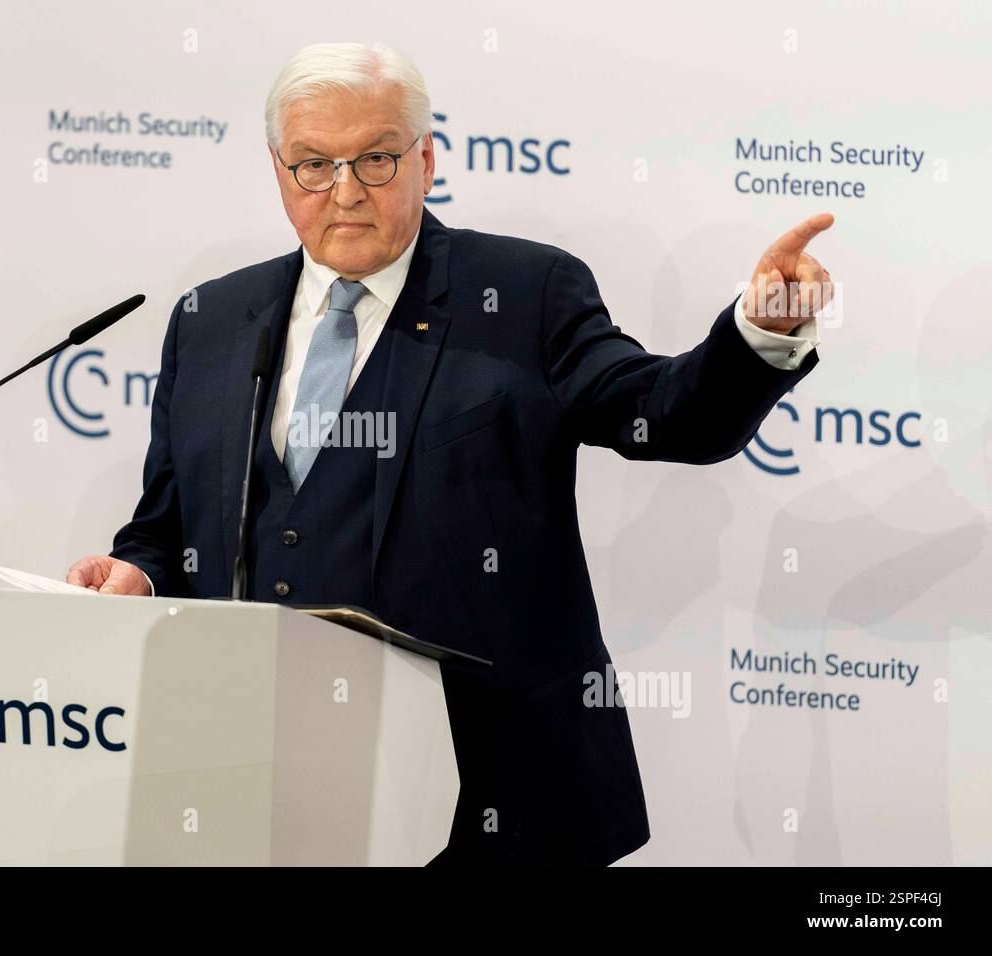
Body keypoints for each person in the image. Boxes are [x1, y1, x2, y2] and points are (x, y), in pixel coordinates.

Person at [68, 41, 833, 864]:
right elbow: (169, 522)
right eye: (314, 165)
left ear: (427, 160)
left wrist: (761, 333)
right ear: (278, 170)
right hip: (261, 780)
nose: (346, 190)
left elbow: (665, 415)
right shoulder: (210, 319)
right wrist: (136, 572)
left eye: (376, 159)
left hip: (489, 791)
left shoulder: (524, 294)